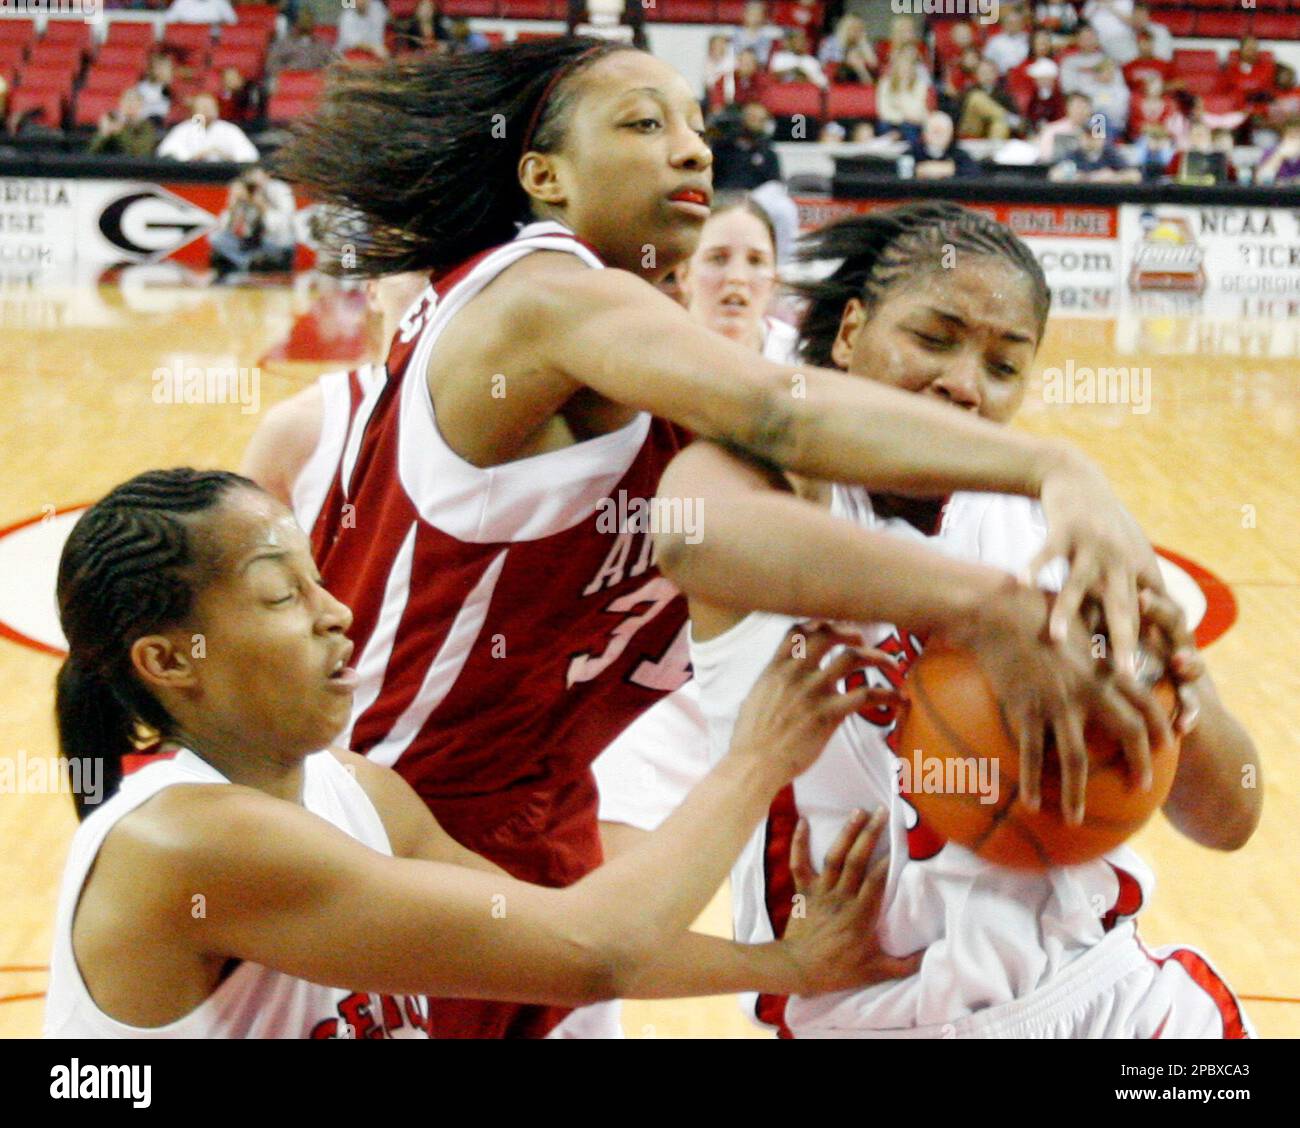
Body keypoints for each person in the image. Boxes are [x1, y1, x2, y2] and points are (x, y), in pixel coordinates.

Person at [270, 38, 1178, 1038]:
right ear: (544, 177)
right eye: (644, 124)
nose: (692, 151)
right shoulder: (536, 290)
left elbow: (821, 412)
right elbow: (782, 414)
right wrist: (1053, 476)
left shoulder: (674, 365)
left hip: (543, 834)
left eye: (699, 129)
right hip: (370, 814)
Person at [654, 202, 1260, 1038]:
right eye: (934, 339)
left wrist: (1173, 699)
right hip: (874, 1018)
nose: (965, 383)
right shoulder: (775, 483)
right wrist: (979, 611)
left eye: (1004, 365)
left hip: (1114, 999)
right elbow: (690, 536)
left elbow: (1230, 819)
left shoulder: (1059, 528)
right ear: (848, 333)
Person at [45, 468, 906, 1038]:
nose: (335, 611)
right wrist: (755, 760)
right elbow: (593, 951)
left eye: (318, 577)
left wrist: (785, 965)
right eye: (280, 596)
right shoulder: (185, 843)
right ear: (166, 661)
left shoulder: (363, 795)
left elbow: (550, 941)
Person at [209, 167, 298, 276]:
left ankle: (250, 264)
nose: (253, 182)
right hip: (251, 245)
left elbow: (281, 226)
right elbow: (225, 228)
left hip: (275, 242)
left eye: (256, 176)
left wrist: (261, 205)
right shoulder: (244, 190)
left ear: (267, 176)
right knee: (217, 238)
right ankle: (247, 263)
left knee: (279, 241)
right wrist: (233, 204)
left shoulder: (279, 190)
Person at [156, 92, 259, 163]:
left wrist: (227, 157)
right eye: (203, 107)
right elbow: (166, 153)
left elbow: (250, 156)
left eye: (211, 107)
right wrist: (194, 157)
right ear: (194, 111)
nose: (208, 111)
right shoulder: (182, 130)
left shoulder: (230, 130)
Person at [875, 43, 931, 145]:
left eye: (908, 66)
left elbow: (918, 110)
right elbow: (884, 111)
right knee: (884, 125)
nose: (904, 70)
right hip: (892, 122)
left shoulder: (920, 85)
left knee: (909, 127)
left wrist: (900, 100)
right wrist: (904, 117)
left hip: (913, 123)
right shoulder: (885, 84)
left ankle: (912, 152)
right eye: (901, 66)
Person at [88, 89, 160, 157]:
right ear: (120, 103)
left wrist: (121, 130)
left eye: (134, 102)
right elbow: (92, 152)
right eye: (127, 101)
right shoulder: (112, 121)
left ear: (141, 106)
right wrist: (104, 133)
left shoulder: (146, 126)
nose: (130, 106)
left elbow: (140, 153)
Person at [267, 10, 337, 78]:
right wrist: (287, 72)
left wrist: (321, 74)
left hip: (314, 82)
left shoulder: (321, 45)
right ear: (295, 25)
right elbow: (271, 65)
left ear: (313, 25)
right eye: (303, 21)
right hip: (289, 82)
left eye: (308, 21)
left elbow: (333, 65)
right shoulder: (283, 44)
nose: (305, 24)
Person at [909, 111, 979, 178]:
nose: (939, 135)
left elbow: (974, 176)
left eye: (943, 131)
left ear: (951, 134)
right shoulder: (911, 154)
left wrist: (951, 170)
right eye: (935, 131)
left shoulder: (960, 156)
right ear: (924, 134)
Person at [983, 6, 1030, 75]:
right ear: (1004, 24)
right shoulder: (994, 41)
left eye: (1016, 22)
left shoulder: (1029, 39)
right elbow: (987, 60)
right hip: (1001, 77)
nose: (1013, 25)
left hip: (1025, 76)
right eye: (1010, 23)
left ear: (1021, 24)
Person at [131, 53, 173, 125]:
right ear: (151, 69)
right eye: (158, 68)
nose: (161, 71)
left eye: (164, 68)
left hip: (169, 123)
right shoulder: (142, 87)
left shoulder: (175, 88)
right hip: (148, 122)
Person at [166, 0, 236, 24]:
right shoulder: (181, 2)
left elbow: (232, 20)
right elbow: (168, 20)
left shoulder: (220, 2)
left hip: (212, 43)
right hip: (186, 46)